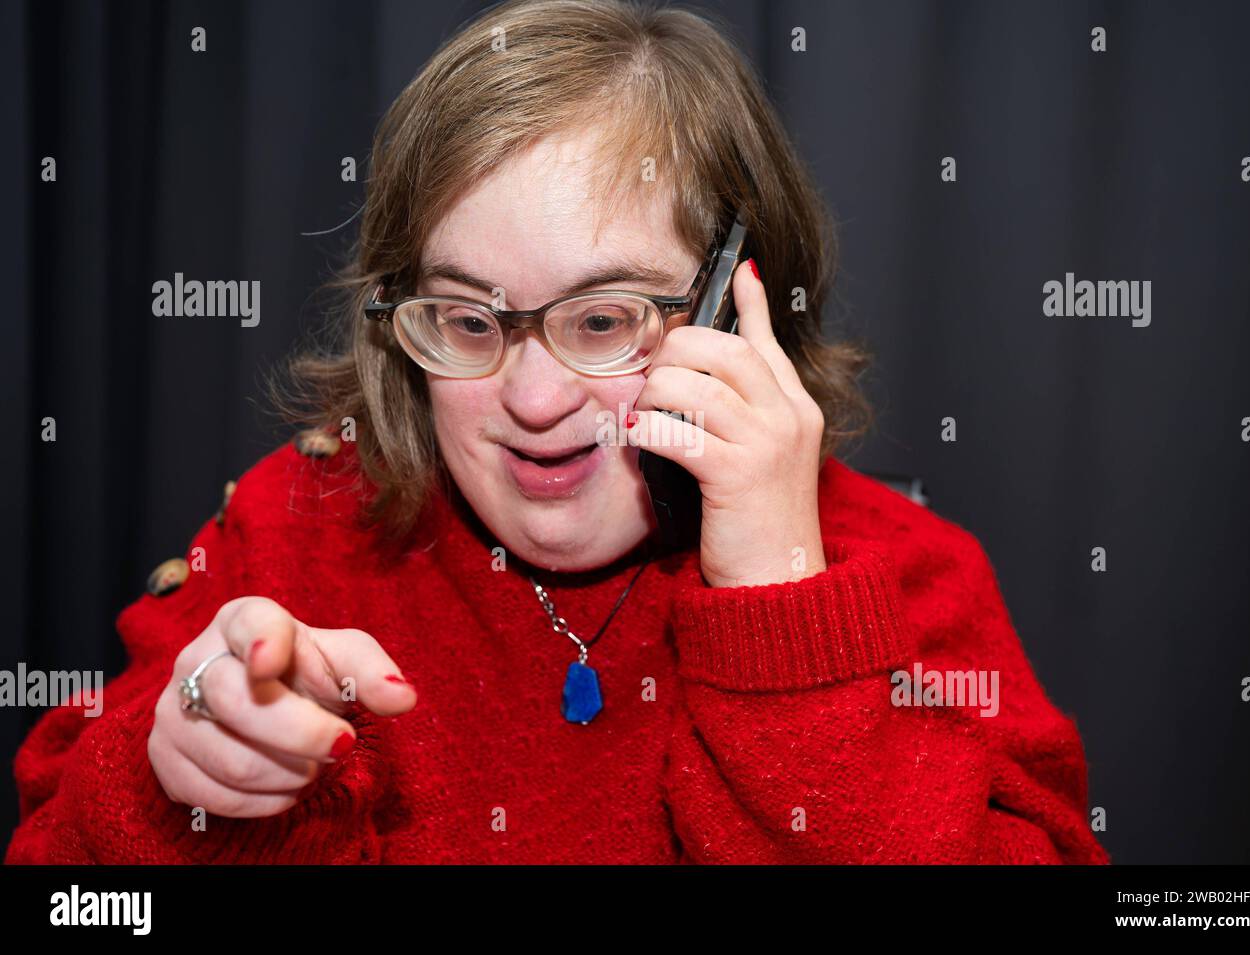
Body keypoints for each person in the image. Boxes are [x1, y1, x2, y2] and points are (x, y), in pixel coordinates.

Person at [5, 0, 1108, 864]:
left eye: (601, 319)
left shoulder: (901, 570)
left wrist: (783, 616)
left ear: (738, 305)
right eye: (471, 320)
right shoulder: (293, 528)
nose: (533, 399)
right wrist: (178, 787)